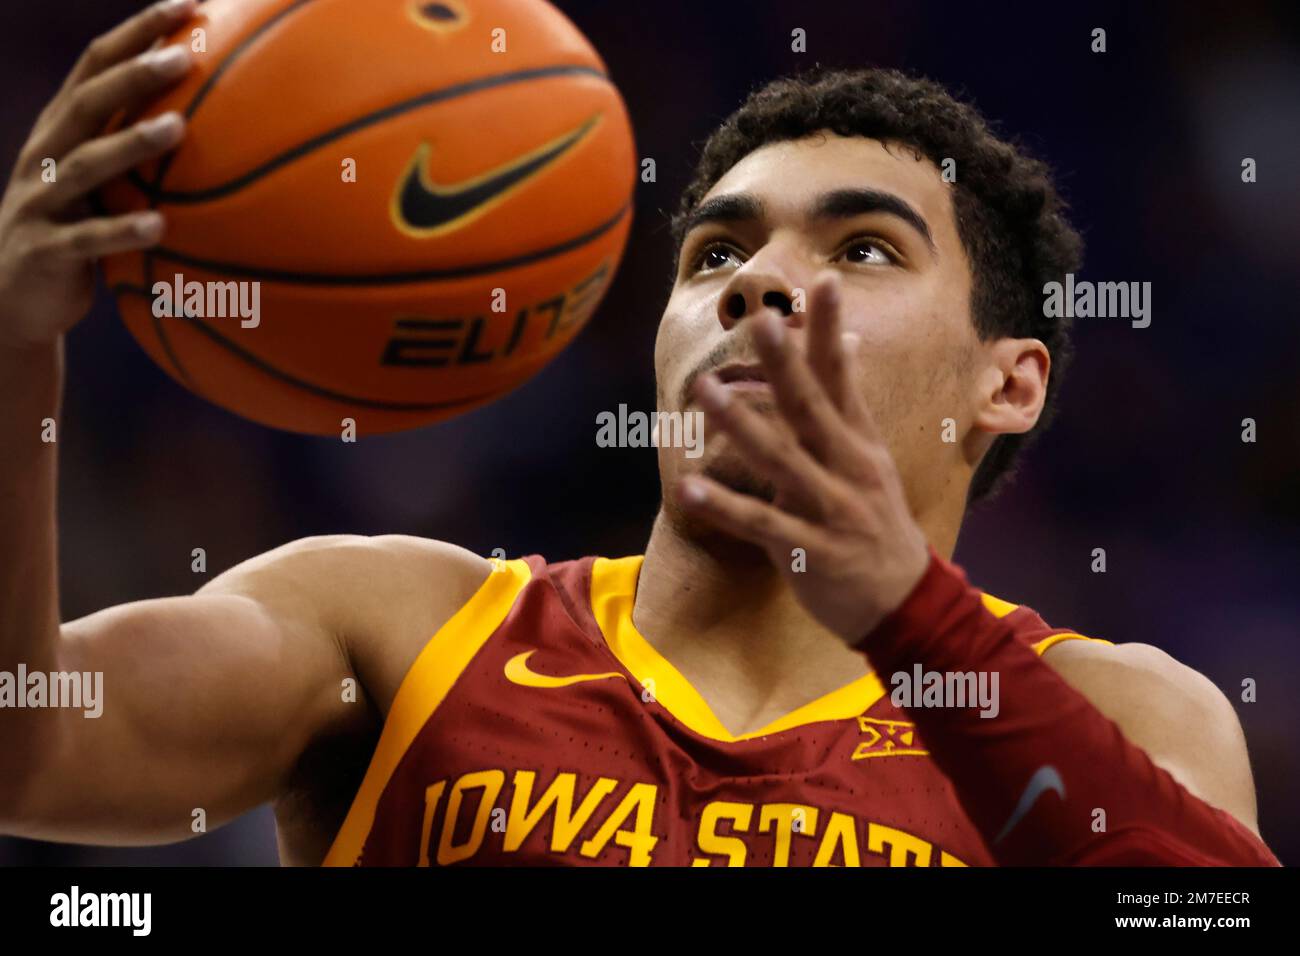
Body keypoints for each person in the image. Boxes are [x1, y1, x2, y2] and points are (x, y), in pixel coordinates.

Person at [0, 0, 1277, 866]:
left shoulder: (1116, 708)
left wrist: (902, 609)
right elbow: (28, 745)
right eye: (717, 249)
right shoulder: (401, 631)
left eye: (862, 248)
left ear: (1009, 383)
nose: (755, 285)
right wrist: (14, 355)